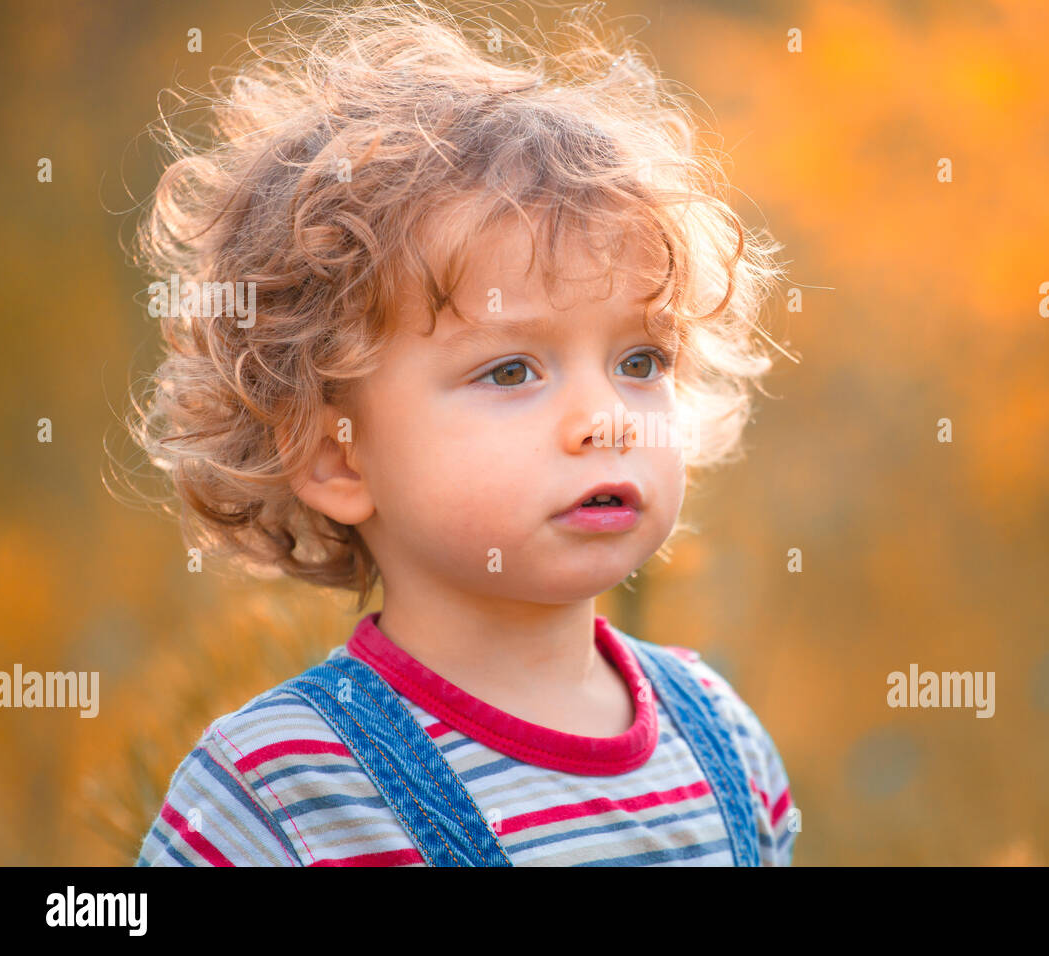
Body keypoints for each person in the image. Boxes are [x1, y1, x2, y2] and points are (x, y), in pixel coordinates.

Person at [131, 0, 796, 866]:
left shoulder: (726, 749)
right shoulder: (280, 792)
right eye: (511, 371)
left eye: (641, 361)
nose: (605, 419)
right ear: (338, 456)